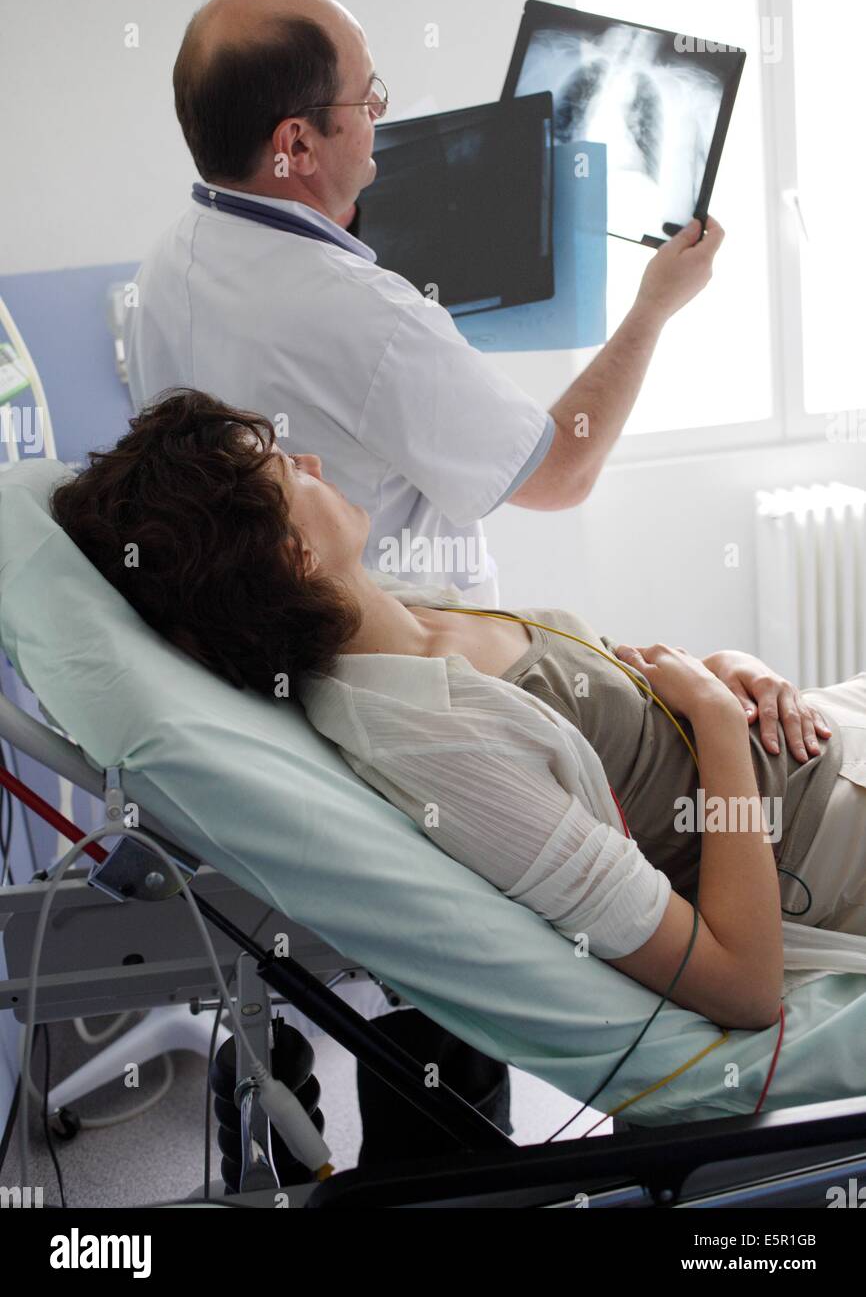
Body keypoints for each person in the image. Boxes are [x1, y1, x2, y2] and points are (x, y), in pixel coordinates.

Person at [50, 390, 866, 1042]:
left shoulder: (409, 615)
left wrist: (735, 673)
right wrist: (720, 724)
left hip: (819, 736)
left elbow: (642, 698)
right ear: (292, 552)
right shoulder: (439, 749)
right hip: (833, 845)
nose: (311, 460)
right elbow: (741, 985)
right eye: (285, 470)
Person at [124, 0, 724, 607]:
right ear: (298, 145)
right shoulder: (375, 318)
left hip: (257, 639)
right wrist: (653, 308)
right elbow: (560, 476)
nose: (379, 112)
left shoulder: (163, 266)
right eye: (367, 96)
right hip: (408, 663)